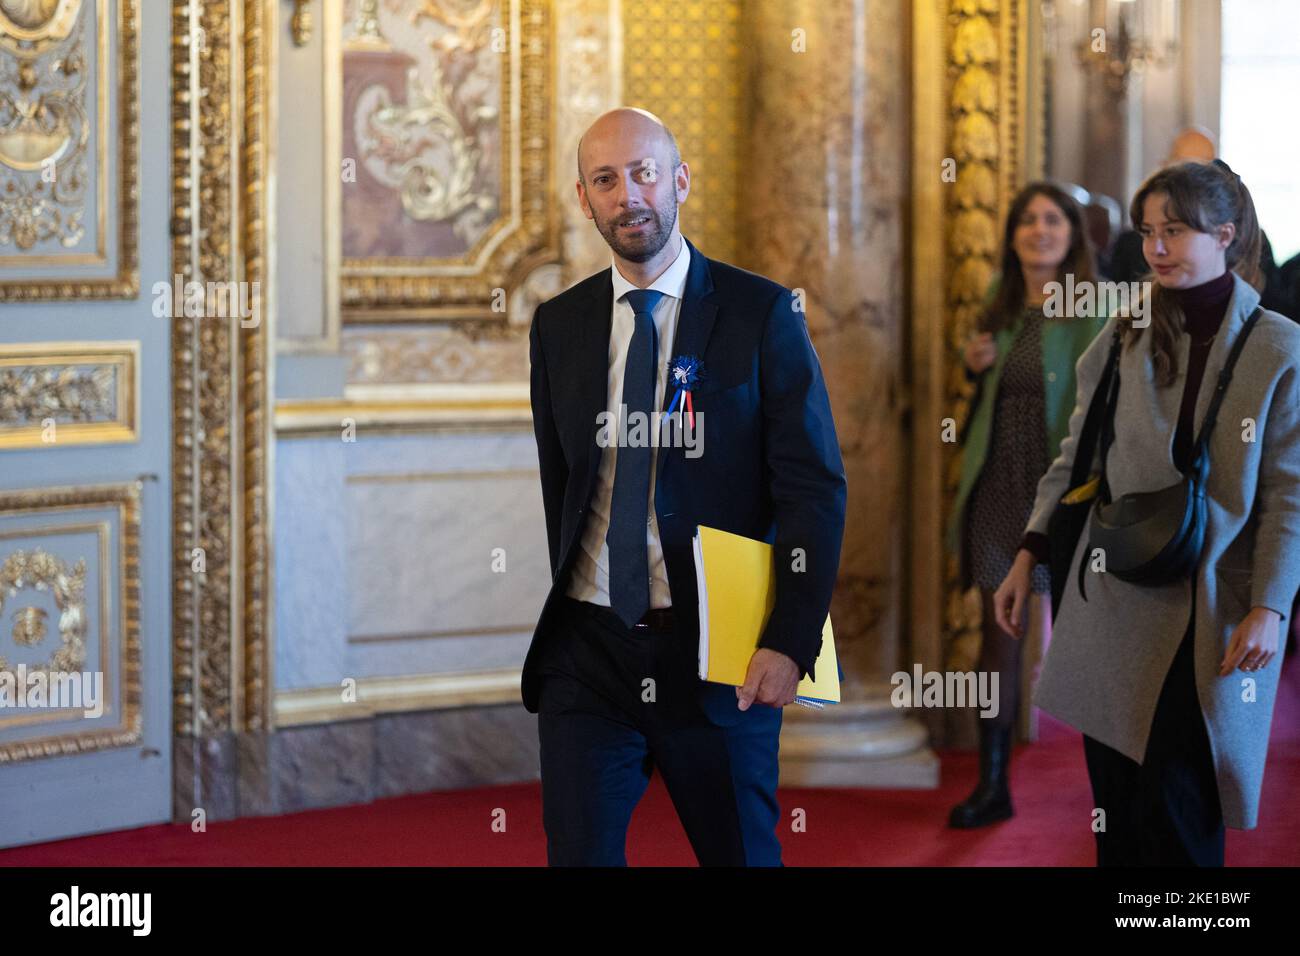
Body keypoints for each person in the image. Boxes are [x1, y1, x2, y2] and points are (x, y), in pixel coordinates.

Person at [523, 108, 846, 866]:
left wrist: (789, 640)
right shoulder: (559, 327)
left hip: (717, 652)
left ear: (679, 180)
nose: (628, 194)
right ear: (584, 198)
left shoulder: (760, 312)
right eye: (606, 179)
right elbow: (563, 483)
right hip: (589, 653)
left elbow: (813, 488)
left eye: (643, 172)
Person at [996, 160, 1300, 866]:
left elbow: (1290, 492)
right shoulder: (1127, 325)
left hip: (1214, 605)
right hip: (1118, 587)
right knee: (1120, 809)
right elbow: (1077, 448)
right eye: (1149, 232)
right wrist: (1028, 551)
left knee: (1184, 808)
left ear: (1225, 235)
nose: (1157, 247)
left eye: (1177, 231)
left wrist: (1273, 606)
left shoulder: (1279, 346)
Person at [945, 183, 1106, 828]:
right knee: (999, 638)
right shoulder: (999, 300)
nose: (1039, 230)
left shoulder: (1096, 304)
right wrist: (973, 364)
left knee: (1087, 639)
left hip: (1067, 493)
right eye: (1027, 221)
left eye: (1053, 219)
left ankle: (1109, 792)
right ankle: (992, 784)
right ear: (1012, 235)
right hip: (999, 487)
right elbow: (991, 393)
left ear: (1072, 231)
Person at [1107, 127, 1288, 313]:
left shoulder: (1251, 239)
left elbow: (1272, 308)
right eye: (1183, 167)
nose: (1192, 182)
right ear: (1164, 167)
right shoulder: (1130, 245)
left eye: (1205, 169)